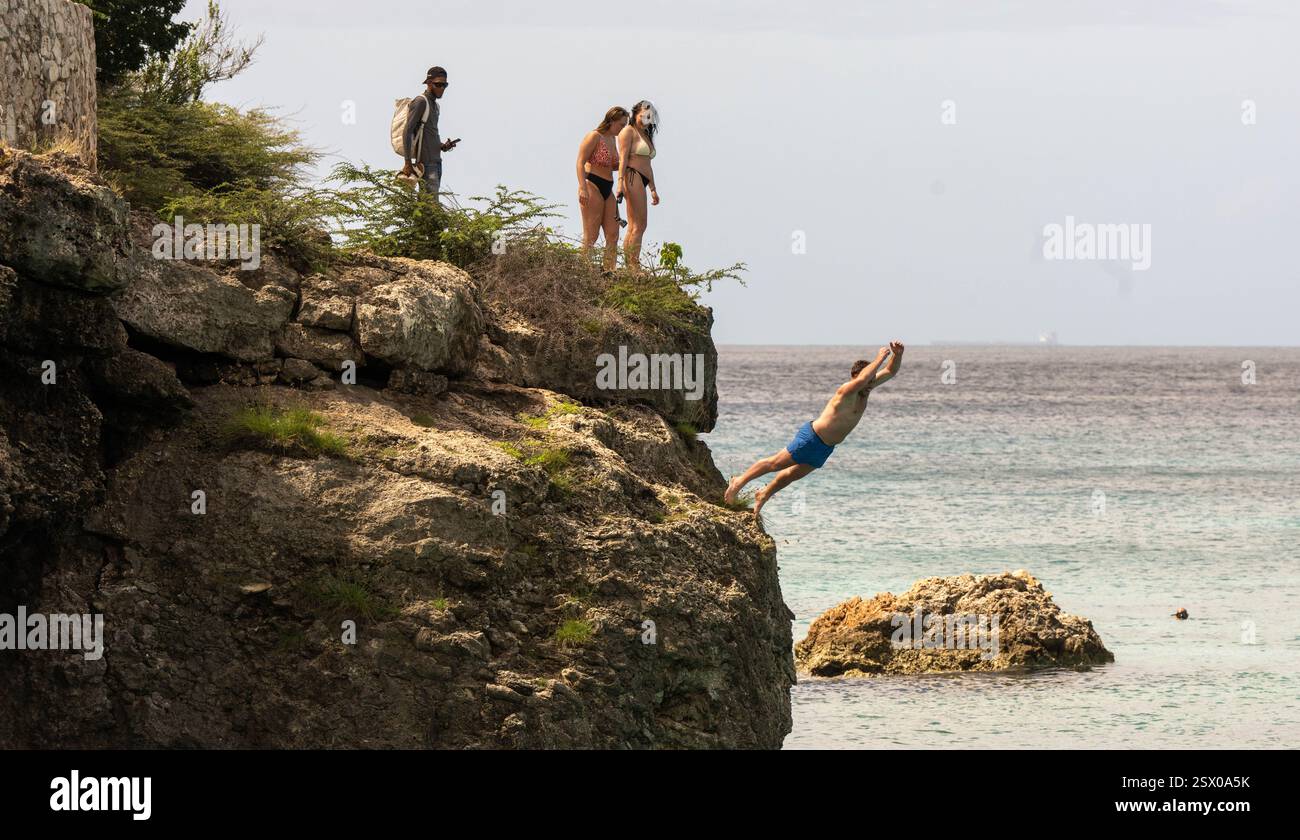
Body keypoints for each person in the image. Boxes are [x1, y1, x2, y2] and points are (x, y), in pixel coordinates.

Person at [725, 341, 906, 519]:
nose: (870, 385)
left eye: (872, 381)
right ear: (856, 377)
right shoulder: (847, 391)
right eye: (868, 380)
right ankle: (738, 482)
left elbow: (890, 371)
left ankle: (764, 494)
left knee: (791, 475)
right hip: (812, 438)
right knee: (776, 463)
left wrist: (897, 355)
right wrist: (879, 358)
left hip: (826, 447)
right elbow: (863, 380)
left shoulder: (866, 388)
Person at [577, 106, 629, 271]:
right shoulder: (594, 136)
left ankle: (609, 271)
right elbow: (580, 162)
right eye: (621, 125)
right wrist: (582, 187)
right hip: (592, 185)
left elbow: (613, 165)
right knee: (591, 235)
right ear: (612, 121)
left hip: (609, 188)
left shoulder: (613, 140)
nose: (622, 129)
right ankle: (581, 269)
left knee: (613, 234)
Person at [401, 66, 459, 197]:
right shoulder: (421, 102)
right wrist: (408, 163)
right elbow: (407, 131)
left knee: (427, 206)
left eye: (445, 85)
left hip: (437, 162)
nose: (442, 88)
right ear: (428, 83)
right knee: (431, 206)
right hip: (426, 165)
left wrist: (443, 146)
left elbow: (428, 134)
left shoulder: (435, 105)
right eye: (438, 84)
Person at [617, 100, 659, 271]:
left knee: (637, 224)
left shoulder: (646, 135)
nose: (647, 117)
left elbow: (648, 165)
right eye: (644, 113)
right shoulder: (628, 131)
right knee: (639, 225)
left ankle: (631, 264)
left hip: (643, 179)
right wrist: (620, 182)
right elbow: (623, 158)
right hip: (631, 175)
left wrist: (653, 188)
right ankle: (633, 265)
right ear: (636, 112)